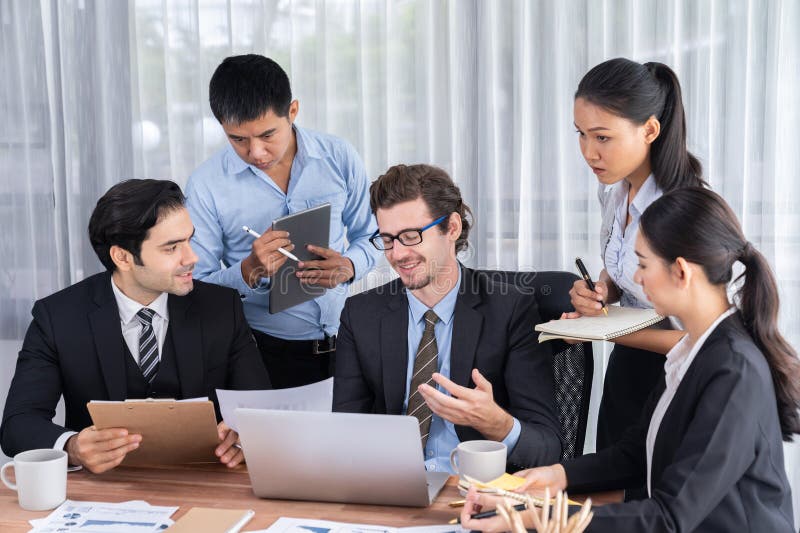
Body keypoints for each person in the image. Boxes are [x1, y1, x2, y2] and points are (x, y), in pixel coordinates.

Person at [461, 187, 799, 532]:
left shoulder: (732, 371)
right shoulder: (693, 354)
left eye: (642, 263)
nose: (635, 278)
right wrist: (557, 476)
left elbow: (669, 518)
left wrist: (541, 517)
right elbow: (635, 454)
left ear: (680, 271)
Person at [0, 179, 272, 473]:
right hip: (100, 492)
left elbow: (260, 410)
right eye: (172, 248)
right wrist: (73, 446)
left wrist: (245, 438)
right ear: (123, 257)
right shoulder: (57, 316)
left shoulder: (223, 307)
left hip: (208, 483)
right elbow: (18, 425)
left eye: (189, 240)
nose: (192, 258)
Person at [333, 164, 561, 471]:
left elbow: (547, 449)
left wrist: (497, 423)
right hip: (389, 489)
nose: (397, 254)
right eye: (387, 239)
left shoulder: (510, 310)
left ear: (452, 228)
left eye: (411, 236)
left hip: (475, 492)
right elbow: (346, 435)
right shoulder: (360, 314)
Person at [186, 54, 378, 389]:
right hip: (262, 353)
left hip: (349, 344)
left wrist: (350, 265)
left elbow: (373, 233)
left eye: (267, 134)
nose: (256, 152)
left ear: (292, 111)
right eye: (238, 139)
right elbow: (195, 286)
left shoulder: (339, 156)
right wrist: (249, 271)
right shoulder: (205, 185)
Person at [569, 58, 704, 452]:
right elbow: (623, 267)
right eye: (581, 135)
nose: (589, 152)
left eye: (602, 137)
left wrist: (609, 330)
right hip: (628, 366)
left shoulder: (683, 212)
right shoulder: (614, 192)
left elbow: (701, 340)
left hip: (681, 375)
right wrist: (601, 292)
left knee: (655, 499)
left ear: (649, 129)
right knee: (614, 486)